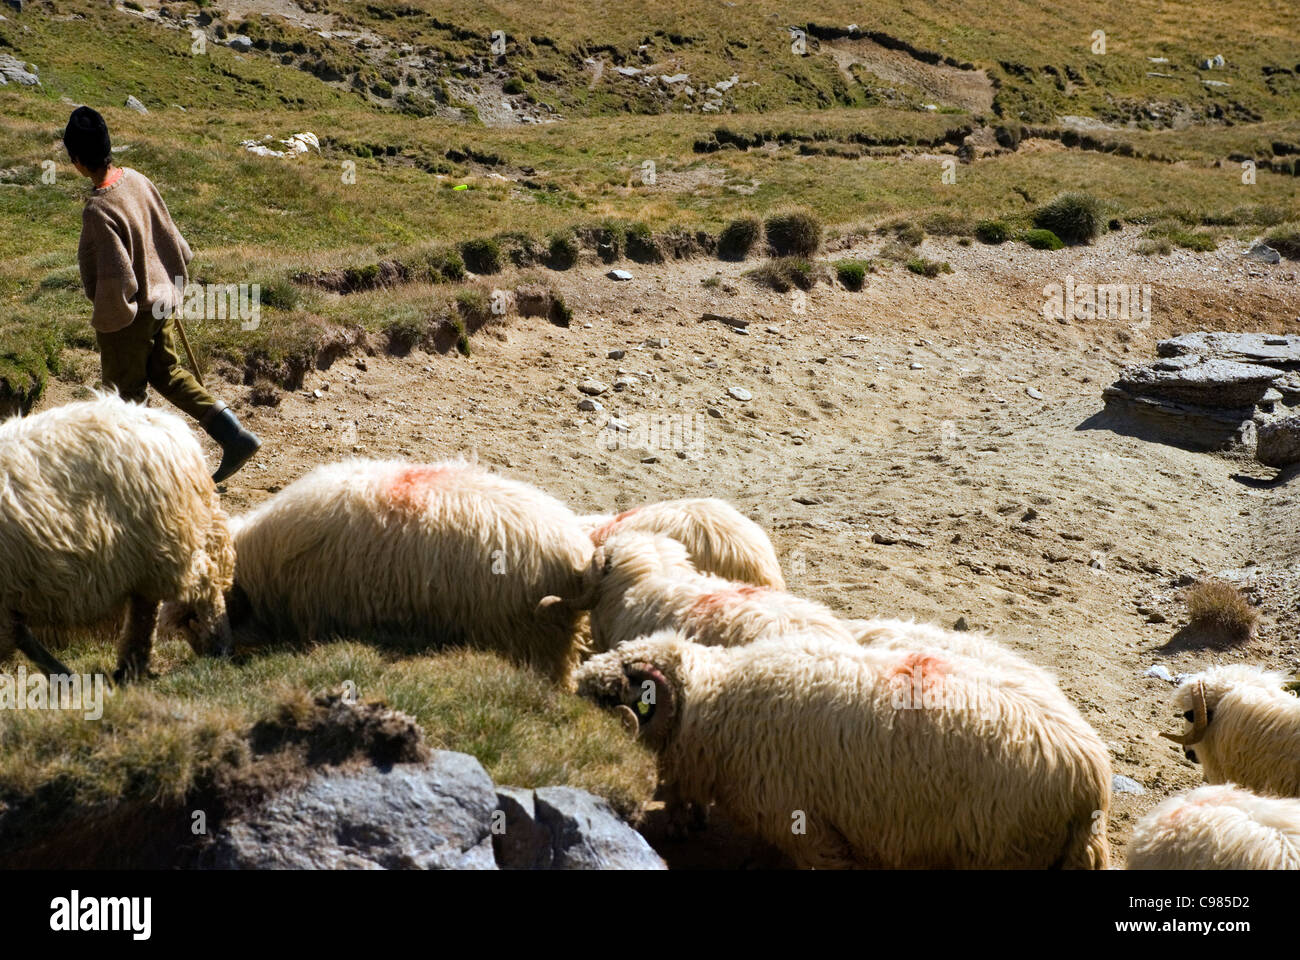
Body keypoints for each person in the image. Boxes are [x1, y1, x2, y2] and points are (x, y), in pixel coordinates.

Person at [64, 105, 261, 483]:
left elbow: (113, 277)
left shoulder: (98, 209)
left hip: (130, 317)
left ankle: (140, 480)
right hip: (161, 304)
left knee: (126, 398)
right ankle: (234, 435)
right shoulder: (136, 179)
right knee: (167, 372)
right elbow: (169, 236)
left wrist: (110, 318)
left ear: (76, 159)